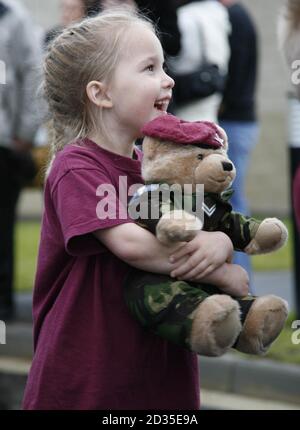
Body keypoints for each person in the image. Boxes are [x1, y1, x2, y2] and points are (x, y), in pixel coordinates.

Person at [22, 9, 248, 410]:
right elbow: (132, 245)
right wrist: (220, 268)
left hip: (158, 371)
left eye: (164, 66)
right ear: (101, 93)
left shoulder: (165, 170)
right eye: (149, 68)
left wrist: (219, 241)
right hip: (89, 379)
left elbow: (198, 232)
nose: (169, 79)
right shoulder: (76, 167)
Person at [0, 0, 43, 321]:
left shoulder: (13, 17)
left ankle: (2, 306)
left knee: (2, 226)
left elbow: (31, 72)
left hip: (4, 142)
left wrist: (25, 132)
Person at [218, 0, 259, 290]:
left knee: (231, 204)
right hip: (241, 121)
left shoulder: (234, 18)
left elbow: (233, 75)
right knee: (232, 201)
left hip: (234, 122)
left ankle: (241, 289)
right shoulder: (240, 16)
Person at [169, 0, 231, 122]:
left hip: (189, 103)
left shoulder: (186, 17)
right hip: (209, 102)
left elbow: (181, 59)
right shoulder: (218, 12)